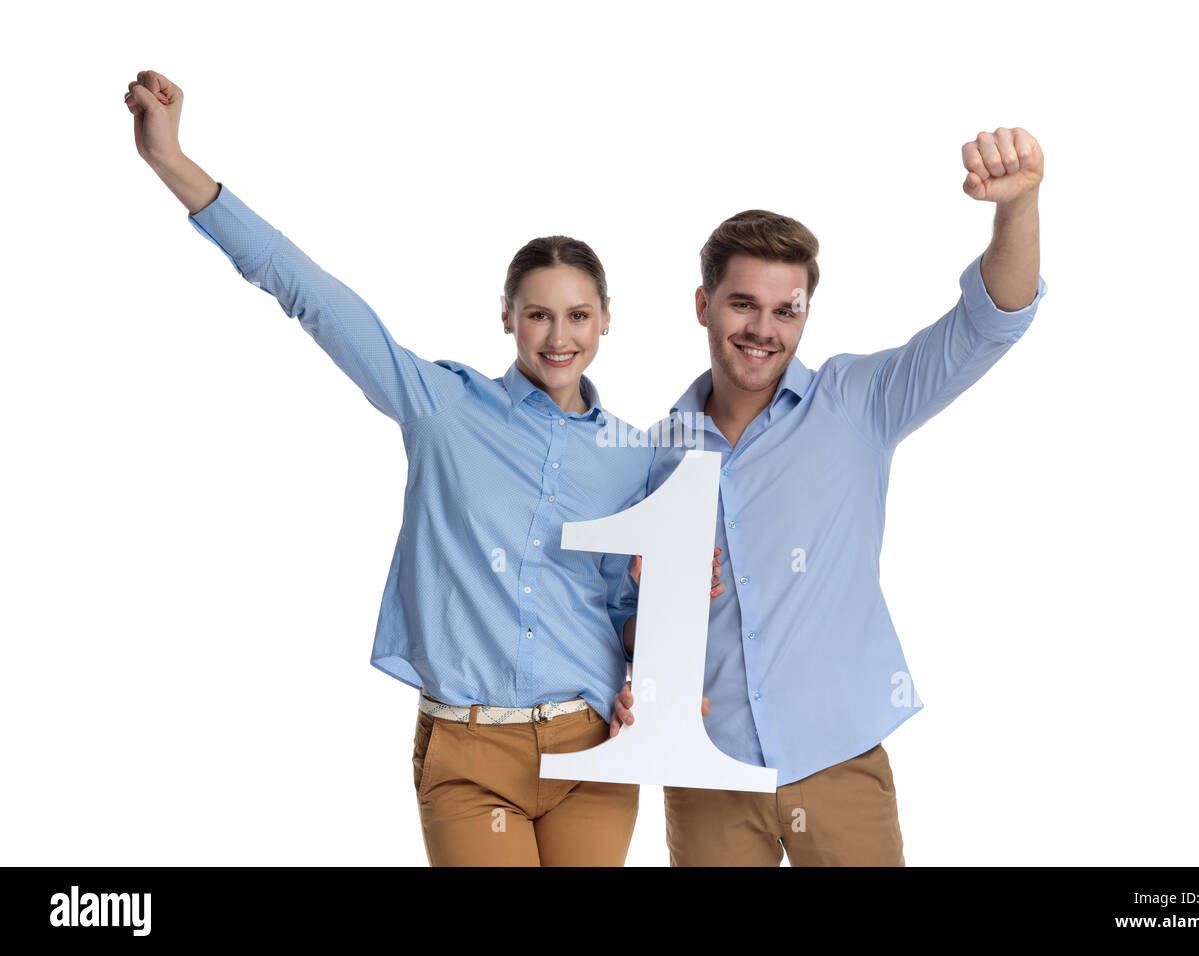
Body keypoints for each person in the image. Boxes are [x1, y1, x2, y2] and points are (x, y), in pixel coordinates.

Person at [123, 68, 718, 866]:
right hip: (470, 753)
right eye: (538, 315)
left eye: (578, 315)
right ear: (506, 316)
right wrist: (172, 160)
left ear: (607, 319)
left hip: (591, 750)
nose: (558, 337)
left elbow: (621, 615)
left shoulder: (633, 456)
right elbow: (311, 296)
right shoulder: (442, 407)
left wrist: (669, 622)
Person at [615, 127, 1049, 865]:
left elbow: (988, 325)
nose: (763, 330)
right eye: (743, 305)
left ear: (806, 312)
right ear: (703, 304)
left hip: (838, 762)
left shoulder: (858, 402)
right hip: (708, 771)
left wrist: (1018, 206)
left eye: (786, 310)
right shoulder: (650, 457)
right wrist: (646, 638)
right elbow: (622, 626)